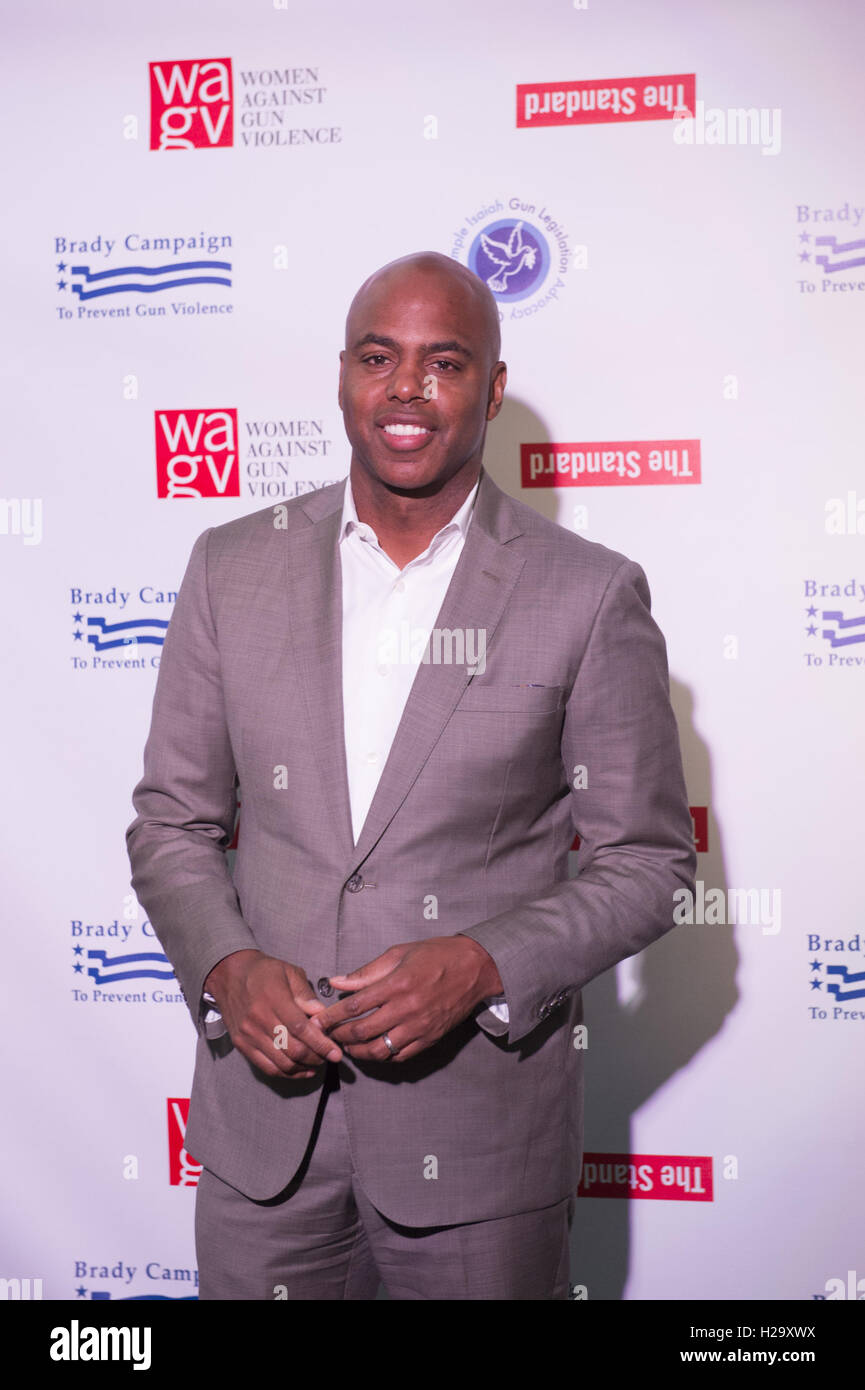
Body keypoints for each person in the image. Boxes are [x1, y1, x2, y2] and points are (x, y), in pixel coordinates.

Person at [126, 250, 695, 1300]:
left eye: (444, 363)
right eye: (379, 357)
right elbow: (170, 821)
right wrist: (228, 969)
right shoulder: (229, 564)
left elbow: (650, 862)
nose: (405, 388)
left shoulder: (587, 595)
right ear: (341, 373)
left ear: (492, 387)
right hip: (264, 1146)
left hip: (479, 1143)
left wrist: (485, 962)